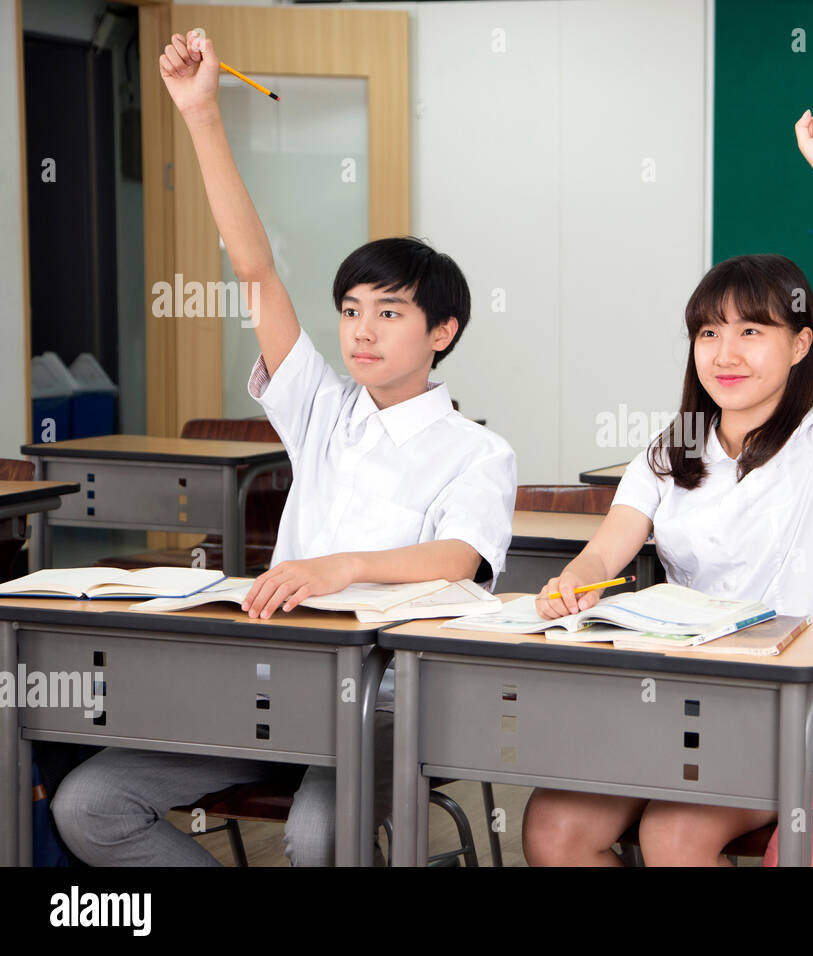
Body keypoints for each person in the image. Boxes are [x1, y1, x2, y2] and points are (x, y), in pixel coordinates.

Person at [51, 30, 516, 866]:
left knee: (315, 833)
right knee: (91, 802)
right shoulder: (323, 409)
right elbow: (257, 271)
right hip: (272, 687)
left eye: (389, 312)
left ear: (443, 331)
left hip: (387, 705)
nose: (361, 330)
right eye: (350, 310)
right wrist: (200, 116)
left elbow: (458, 559)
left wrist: (335, 568)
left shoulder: (478, 452)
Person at [521, 109, 813, 866]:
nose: (726, 352)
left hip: (784, 703)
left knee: (674, 835)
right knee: (553, 829)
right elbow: (604, 553)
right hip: (668, 693)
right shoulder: (671, 448)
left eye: (752, 331)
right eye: (709, 332)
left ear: (799, 342)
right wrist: (572, 585)